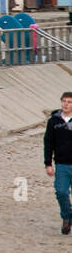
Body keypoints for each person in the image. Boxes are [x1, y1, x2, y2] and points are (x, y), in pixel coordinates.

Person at [45, 92, 72, 235]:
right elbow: (48, 142)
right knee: (61, 192)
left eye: (69, 102)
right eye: (64, 101)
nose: (66, 104)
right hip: (61, 164)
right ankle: (67, 217)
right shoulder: (54, 121)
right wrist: (47, 163)